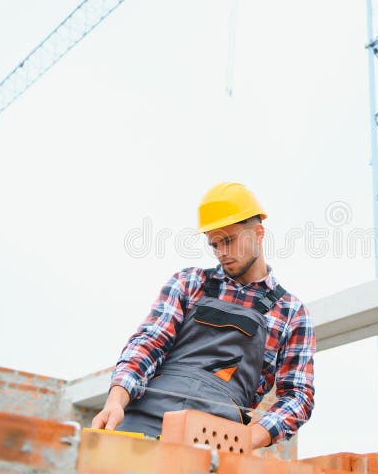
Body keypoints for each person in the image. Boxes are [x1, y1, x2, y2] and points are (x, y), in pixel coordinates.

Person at [91, 182, 316, 449]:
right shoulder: (188, 283)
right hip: (145, 419)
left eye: (229, 241)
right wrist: (116, 401)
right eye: (214, 244)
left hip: (214, 437)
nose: (221, 252)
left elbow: (297, 396)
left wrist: (245, 440)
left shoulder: (291, 312)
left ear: (258, 233)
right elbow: (150, 342)